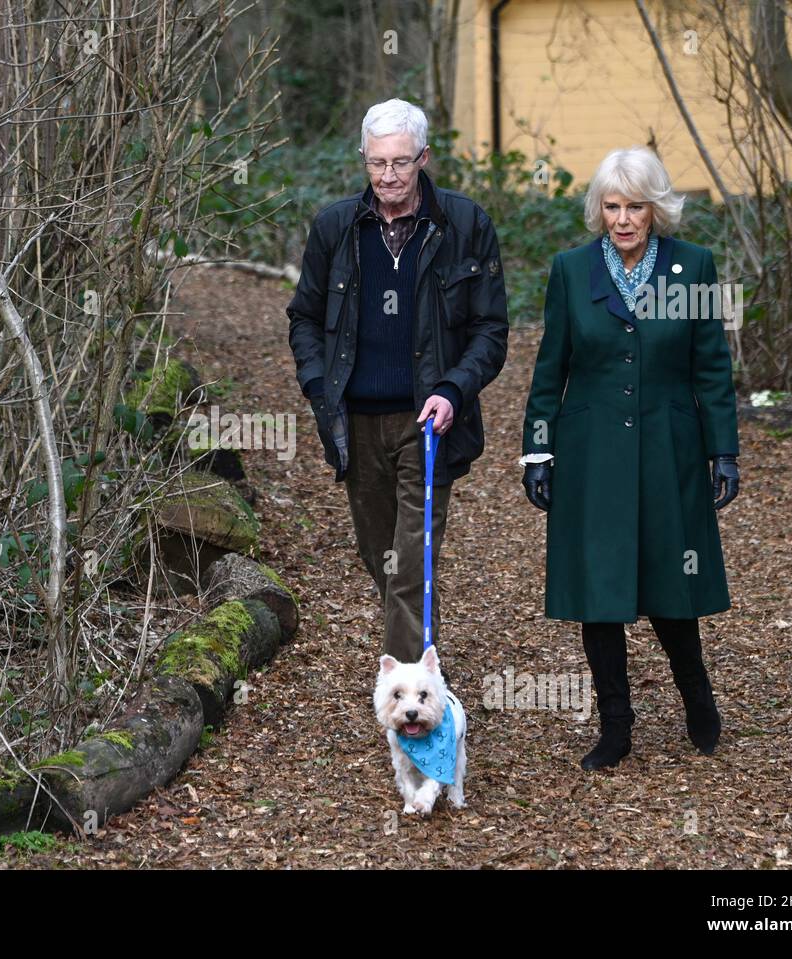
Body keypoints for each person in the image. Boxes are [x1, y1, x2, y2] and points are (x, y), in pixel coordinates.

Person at [520, 146, 741, 770]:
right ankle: (616, 724)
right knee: (601, 589)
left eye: (635, 207)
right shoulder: (570, 270)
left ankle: (696, 694)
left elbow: (711, 367)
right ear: (600, 209)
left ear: (655, 210)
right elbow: (549, 369)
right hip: (590, 453)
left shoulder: (694, 267)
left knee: (672, 580)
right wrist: (538, 449)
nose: (622, 219)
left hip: (670, 447)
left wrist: (724, 449)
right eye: (612, 206)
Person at [287, 98, 508, 666]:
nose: (389, 176)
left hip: (427, 418)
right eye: (378, 162)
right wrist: (318, 388)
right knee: (382, 558)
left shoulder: (464, 224)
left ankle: (410, 708)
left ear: (424, 159)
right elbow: (305, 317)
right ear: (364, 159)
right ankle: (423, 668)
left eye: (402, 163)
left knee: (411, 567)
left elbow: (490, 329)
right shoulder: (336, 227)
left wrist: (453, 389)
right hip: (354, 424)